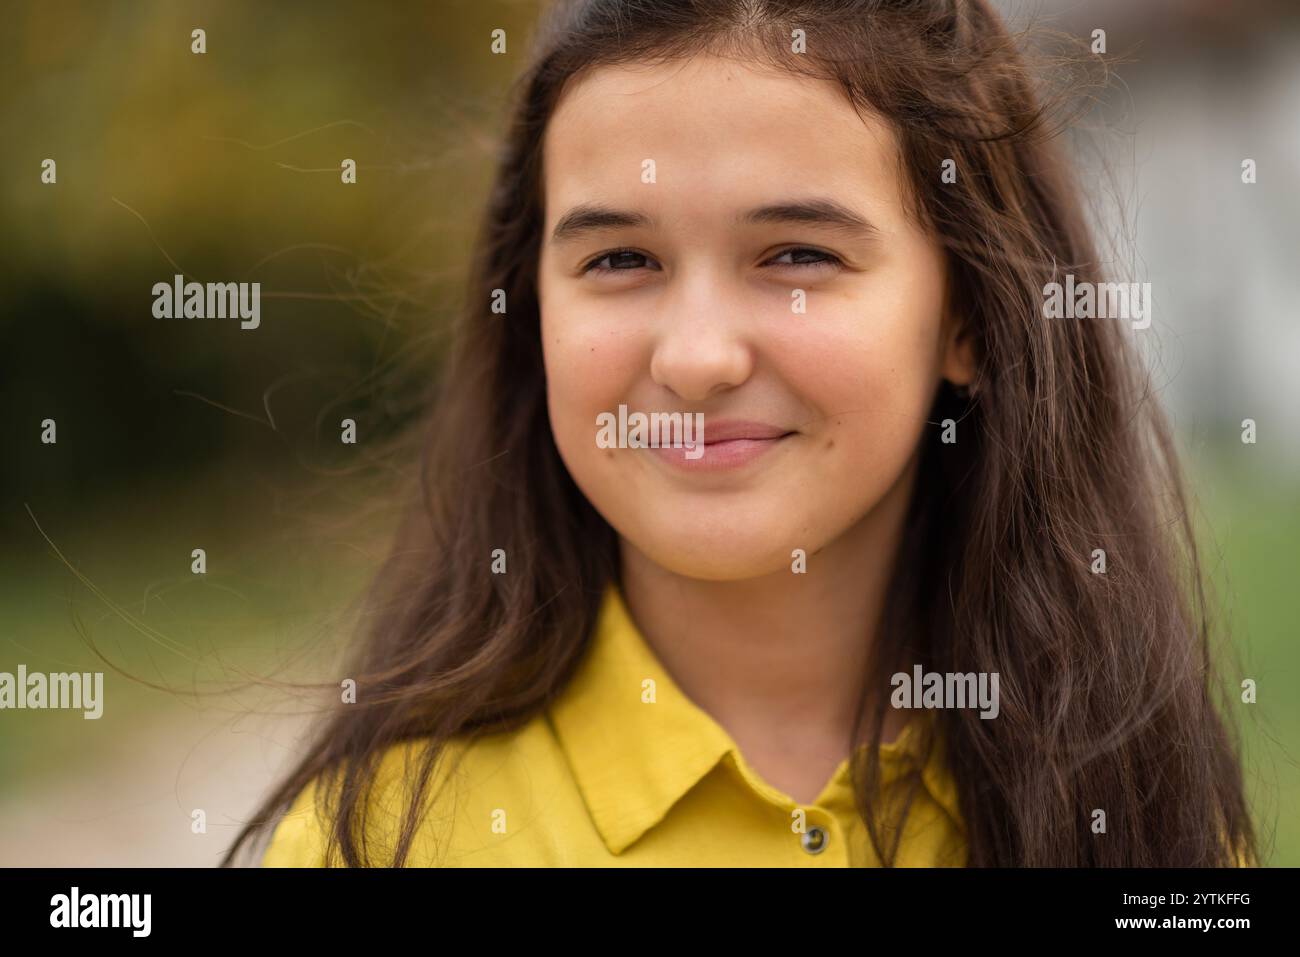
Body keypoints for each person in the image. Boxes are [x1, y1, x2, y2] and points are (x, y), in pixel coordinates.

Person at [225, 0, 1256, 868]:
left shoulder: (1132, 805)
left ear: (969, 319)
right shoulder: (382, 843)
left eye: (796, 254)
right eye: (620, 260)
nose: (697, 356)